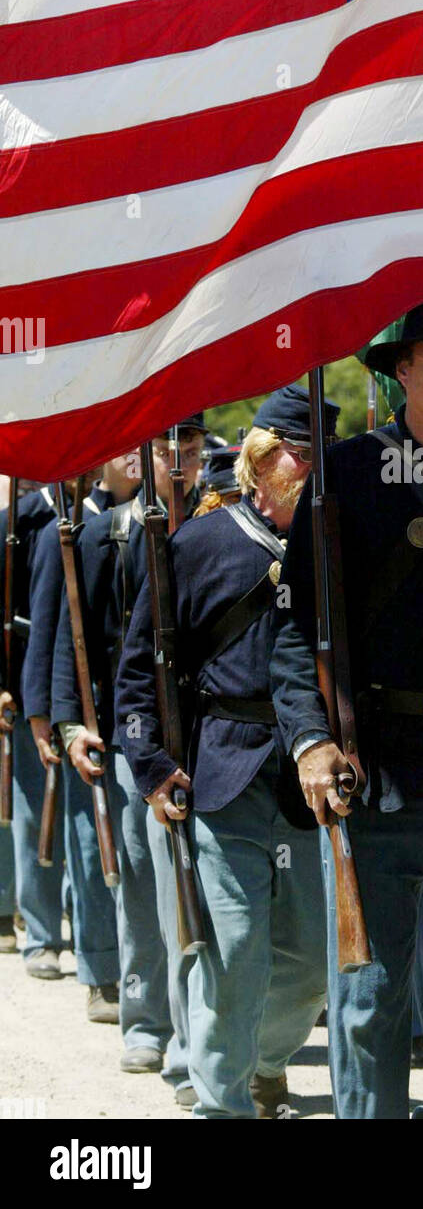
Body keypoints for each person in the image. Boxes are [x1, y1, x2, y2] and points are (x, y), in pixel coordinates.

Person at [271, 299, 423, 1119]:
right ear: (400, 374)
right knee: (371, 992)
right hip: (371, 763)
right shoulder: (343, 475)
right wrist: (310, 741)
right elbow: (295, 630)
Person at [116, 387, 333, 1119]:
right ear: (262, 457)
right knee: (233, 949)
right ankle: (222, 1102)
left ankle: (262, 1062)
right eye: (301, 455)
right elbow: (142, 667)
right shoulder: (199, 542)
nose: (311, 470)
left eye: (321, 456)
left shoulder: (334, 543)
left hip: (307, 777)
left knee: (308, 964)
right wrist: (149, 764)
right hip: (221, 765)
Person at [52, 419, 206, 1100]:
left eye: (191, 447)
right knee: (142, 886)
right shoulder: (106, 533)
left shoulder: (222, 525)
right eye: (167, 446)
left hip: (217, 736)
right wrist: (69, 722)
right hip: (132, 735)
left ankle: (207, 1031)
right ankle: (147, 1023)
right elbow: (72, 633)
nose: (178, 460)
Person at [23, 460, 138, 1019]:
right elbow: (47, 629)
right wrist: (45, 712)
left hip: (139, 709)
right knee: (93, 845)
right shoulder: (65, 528)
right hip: (89, 712)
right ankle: (99, 969)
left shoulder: (159, 518)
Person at [0, 482, 75, 981]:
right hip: (29, 674)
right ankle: (42, 936)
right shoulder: (18, 520)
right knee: (35, 812)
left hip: (91, 679)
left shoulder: (109, 512)